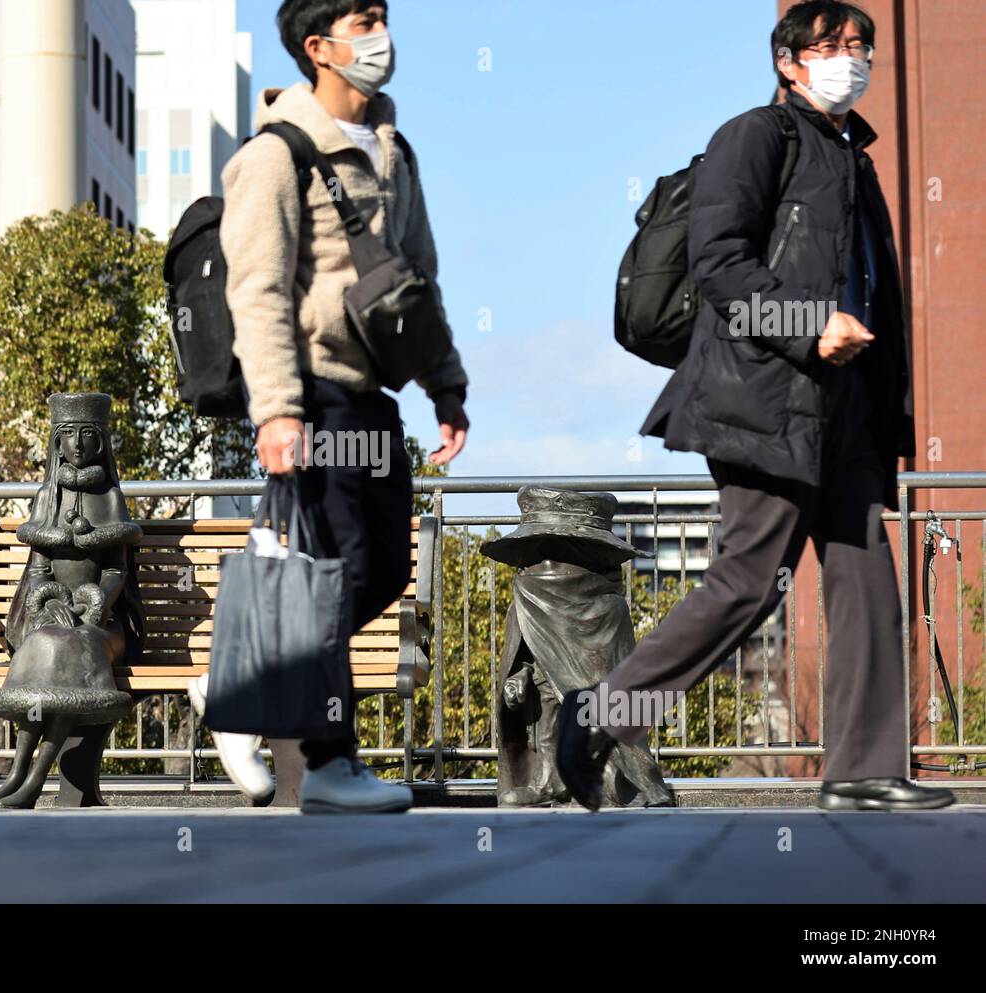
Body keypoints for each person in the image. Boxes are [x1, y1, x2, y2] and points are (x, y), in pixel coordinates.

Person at [557, 1, 954, 813]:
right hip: (764, 400)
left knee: (867, 584)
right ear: (788, 61)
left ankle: (861, 770)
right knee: (748, 583)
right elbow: (718, 267)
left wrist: (886, 414)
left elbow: (874, 289)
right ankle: (602, 712)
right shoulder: (756, 136)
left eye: (862, 46)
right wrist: (810, 327)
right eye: (832, 45)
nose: (853, 58)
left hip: (845, 413)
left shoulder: (856, 160)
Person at [216, 0, 470, 813]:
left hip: (373, 396)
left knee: (385, 568)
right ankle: (327, 764)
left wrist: (447, 384)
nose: (379, 36)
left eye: (380, 17)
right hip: (312, 393)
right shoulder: (276, 155)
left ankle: (241, 675)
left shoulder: (396, 154)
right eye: (361, 22)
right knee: (332, 575)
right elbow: (255, 289)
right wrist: (276, 411)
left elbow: (417, 282)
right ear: (317, 47)